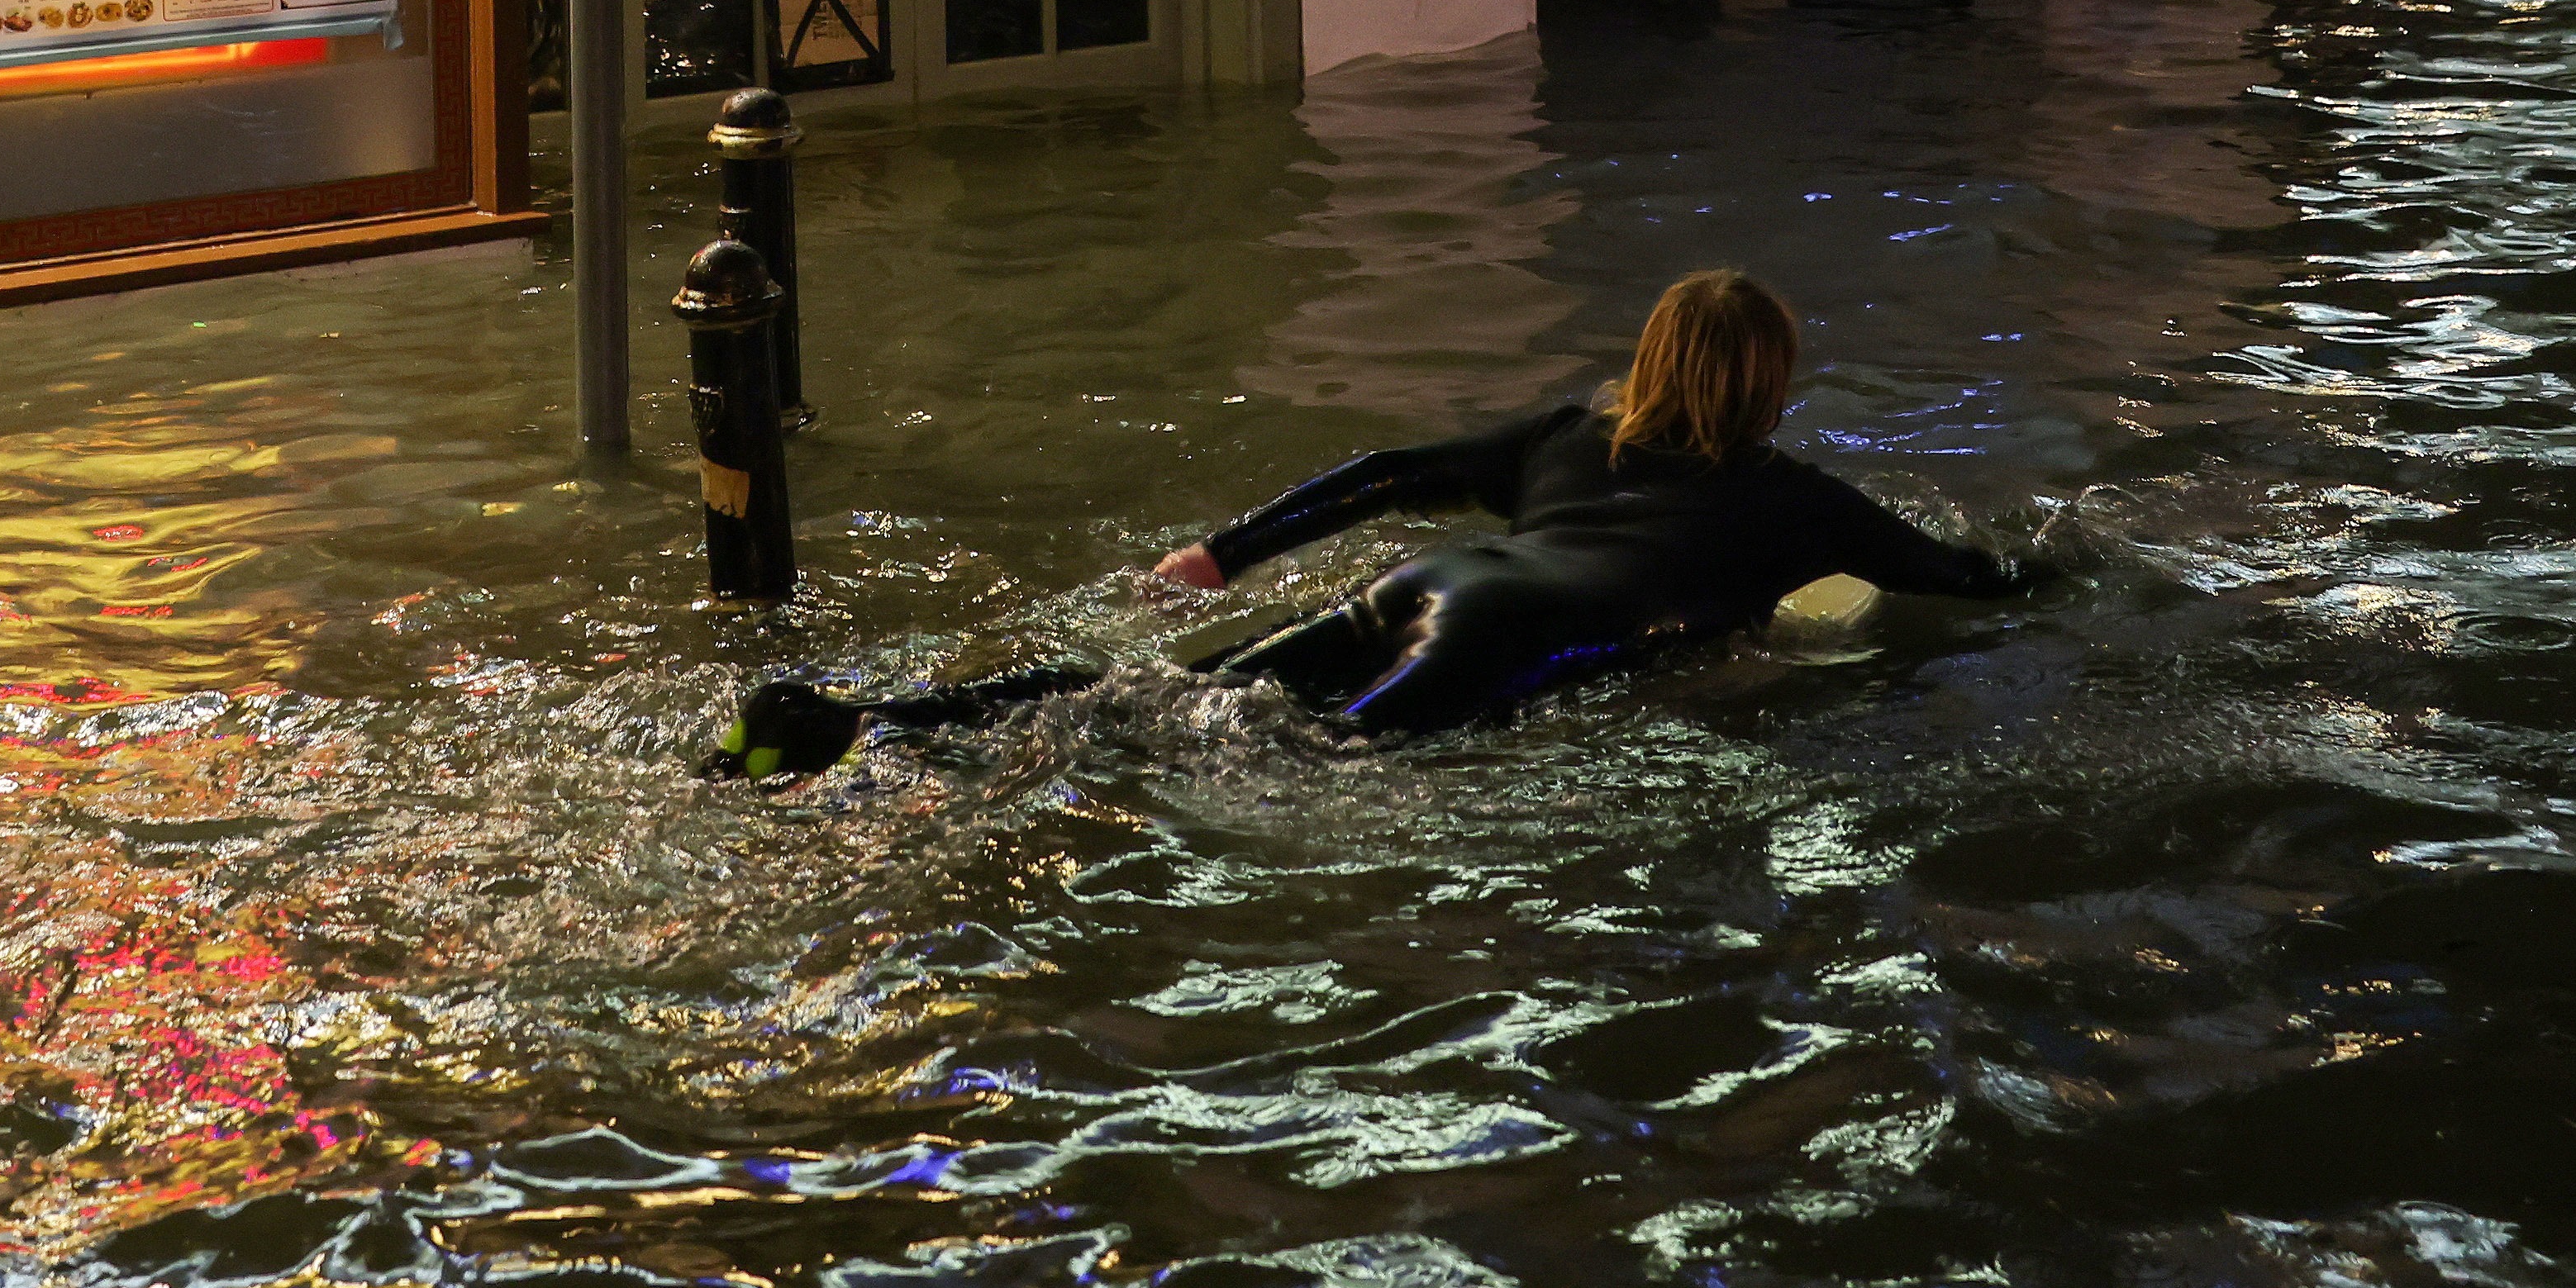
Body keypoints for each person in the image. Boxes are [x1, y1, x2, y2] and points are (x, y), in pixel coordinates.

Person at [716, 269, 2028, 778]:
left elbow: (1391, 471)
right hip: (1511, 634)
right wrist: (2060, 558)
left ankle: (854, 720)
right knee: (1304, 759)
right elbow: (1971, 581)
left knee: (1161, 694)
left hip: (1434, 578)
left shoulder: (1572, 433)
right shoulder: (1798, 504)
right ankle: (931, 774)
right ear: (1769, 388)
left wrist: (1224, 552)